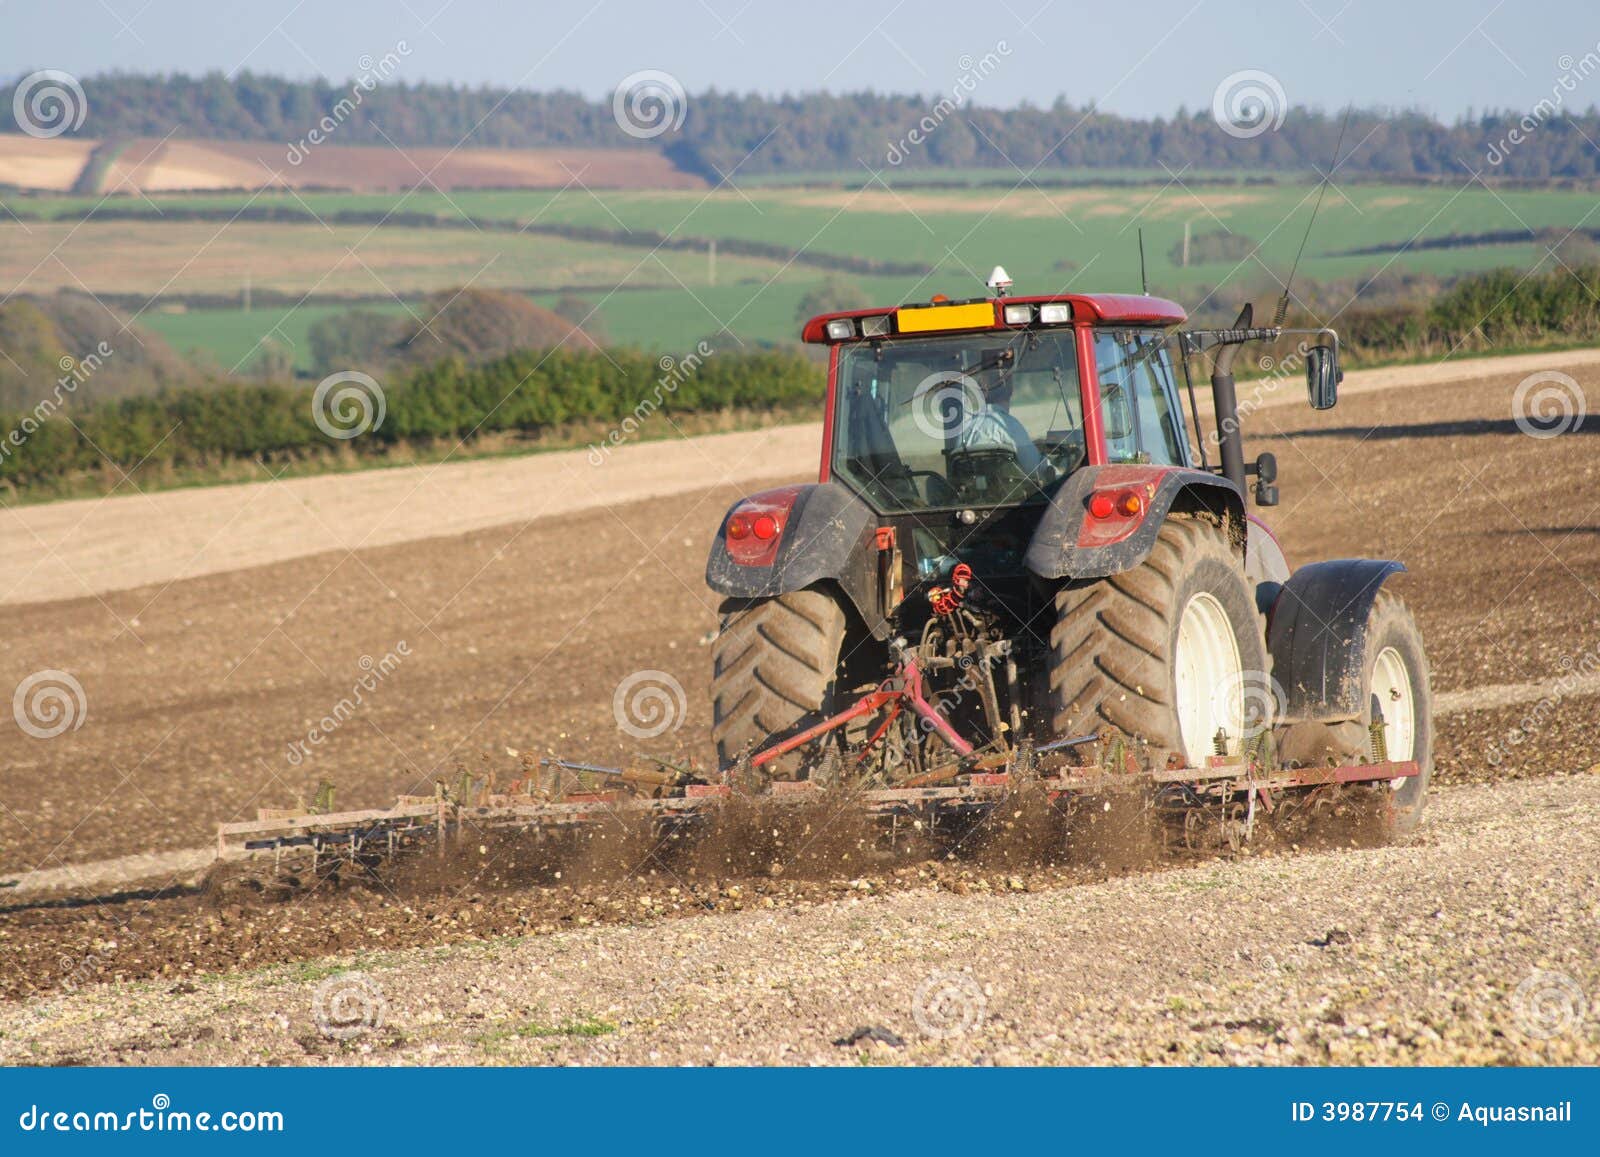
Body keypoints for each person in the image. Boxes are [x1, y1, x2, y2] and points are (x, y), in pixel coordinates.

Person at [953, 379, 1043, 473]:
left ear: (983, 394)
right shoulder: (1009, 425)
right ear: (1010, 391)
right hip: (1007, 487)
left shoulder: (965, 428)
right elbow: (1035, 468)